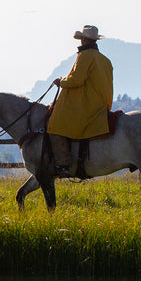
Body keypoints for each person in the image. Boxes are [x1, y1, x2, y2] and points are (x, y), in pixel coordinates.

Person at [47, 25, 113, 177]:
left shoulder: (85, 56)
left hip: (86, 106)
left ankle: (63, 164)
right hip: (101, 105)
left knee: (54, 126)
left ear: (83, 40)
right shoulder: (105, 60)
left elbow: (76, 80)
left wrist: (61, 81)